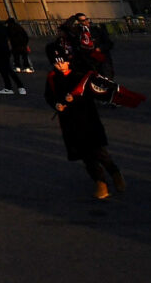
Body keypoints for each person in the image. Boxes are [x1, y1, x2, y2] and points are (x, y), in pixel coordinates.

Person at [48, 42, 123, 200]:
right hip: (69, 122)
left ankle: (114, 173)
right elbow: (49, 95)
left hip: (88, 119)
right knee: (86, 156)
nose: (60, 65)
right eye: (56, 62)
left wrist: (74, 99)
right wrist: (57, 104)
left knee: (99, 152)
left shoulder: (80, 75)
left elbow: (93, 93)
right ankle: (100, 183)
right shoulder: (52, 78)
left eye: (62, 61)